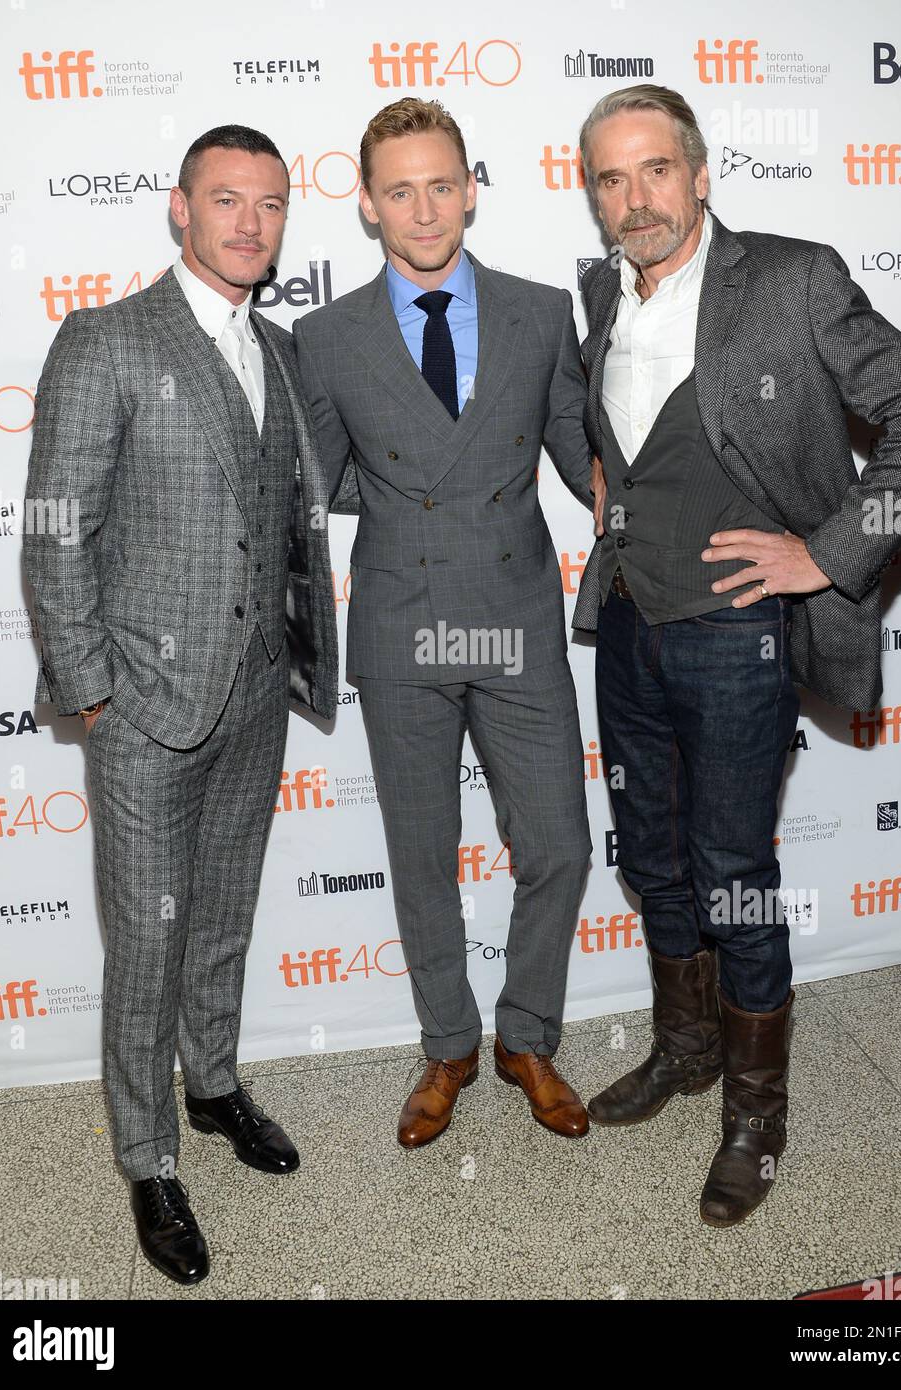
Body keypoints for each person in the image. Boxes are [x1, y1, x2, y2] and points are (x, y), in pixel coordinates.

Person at [572, 85, 901, 1226]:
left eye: (655, 170)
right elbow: (610, 427)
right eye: (610, 177)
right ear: (592, 193)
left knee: (732, 873)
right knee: (651, 854)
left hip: (738, 637)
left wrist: (828, 552)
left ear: (698, 174)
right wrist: (609, 489)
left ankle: (756, 1107)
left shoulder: (791, 277)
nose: (634, 198)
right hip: (632, 626)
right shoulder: (596, 290)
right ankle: (685, 1046)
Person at [23, 125, 339, 1283]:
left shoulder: (286, 351)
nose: (248, 223)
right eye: (225, 201)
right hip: (146, 712)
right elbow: (57, 533)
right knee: (148, 943)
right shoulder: (107, 339)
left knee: (222, 920)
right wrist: (94, 692)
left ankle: (211, 1089)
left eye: (268, 204)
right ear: (178, 208)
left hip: (255, 700)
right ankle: (148, 1159)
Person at [292, 97, 598, 1149]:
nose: (423, 209)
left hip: (516, 616)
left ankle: (526, 1035)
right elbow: (321, 478)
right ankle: (449, 1043)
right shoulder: (322, 338)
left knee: (556, 843)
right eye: (399, 190)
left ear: (471, 187)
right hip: (399, 622)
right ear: (368, 205)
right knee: (422, 853)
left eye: (441, 184)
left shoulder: (540, 311)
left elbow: (578, 456)